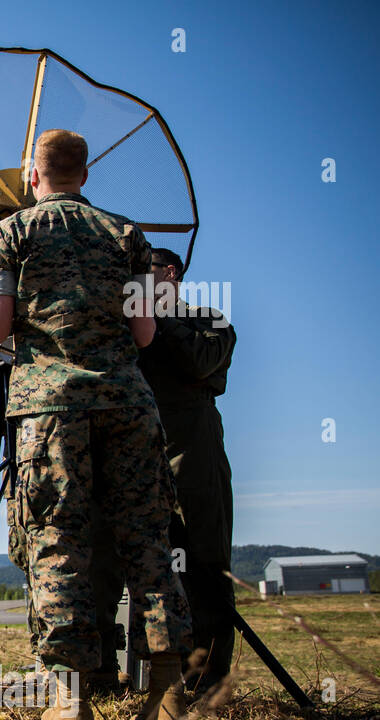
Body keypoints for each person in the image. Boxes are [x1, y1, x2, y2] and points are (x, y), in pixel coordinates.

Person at [0, 129, 192, 720]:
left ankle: (70, 705)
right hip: (127, 404)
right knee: (147, 538)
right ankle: (168, 697)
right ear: (85, 176)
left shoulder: (14, 233)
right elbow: (144, 335)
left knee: (56, 540)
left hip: (49, 411)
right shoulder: (126, 235)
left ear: (32, 180)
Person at [140, 247, 237, 693]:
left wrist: (156, 315)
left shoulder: (209, 319)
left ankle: (206, 682)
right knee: (150, 567)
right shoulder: (132, 324)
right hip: (139, 455)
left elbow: (199, 361)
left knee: (203, 563)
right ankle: (151, 677)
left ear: (170, 273)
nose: (136, 283)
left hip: (192, 457)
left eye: (146, 273)